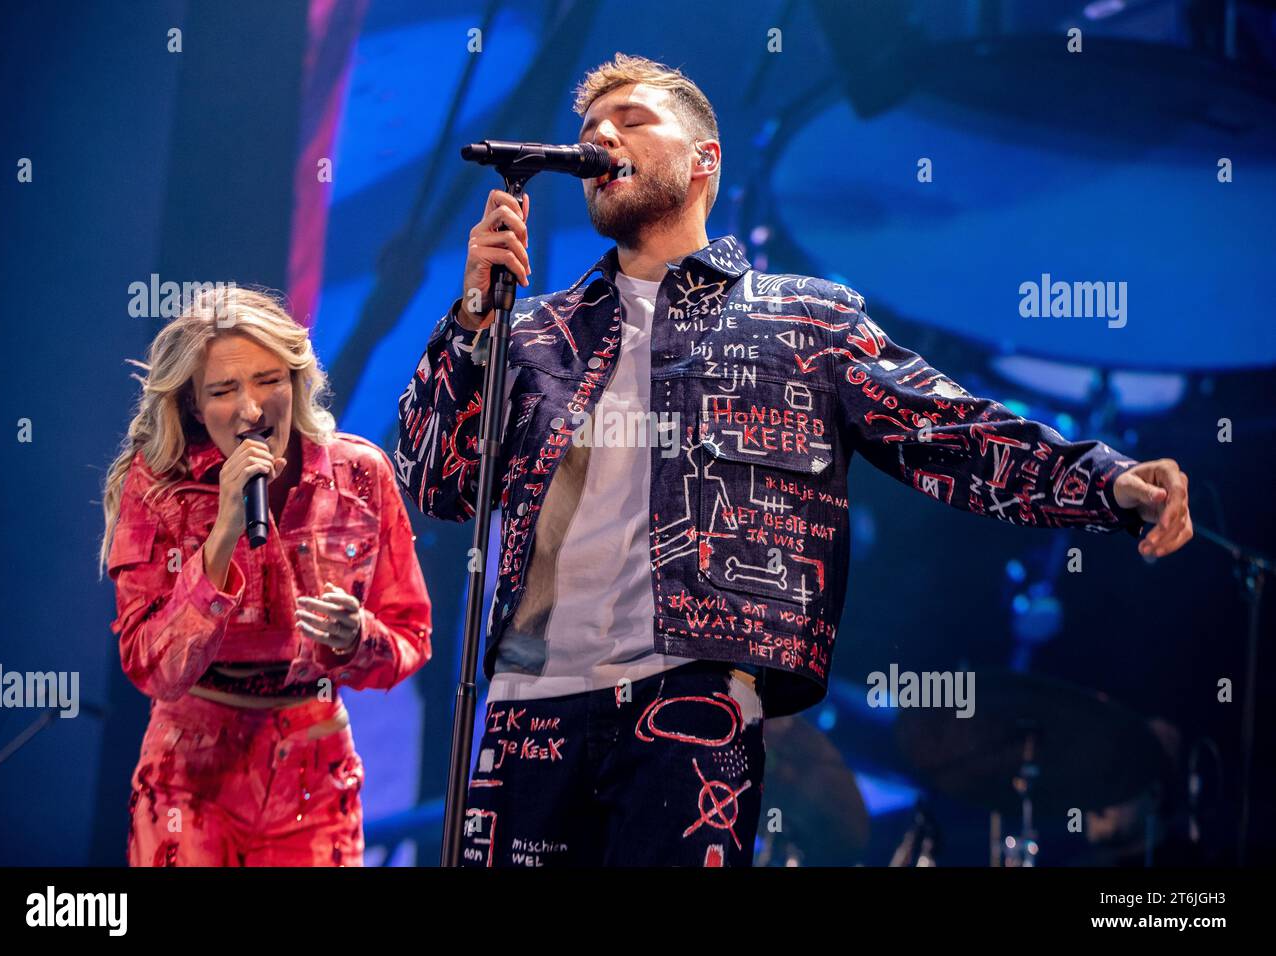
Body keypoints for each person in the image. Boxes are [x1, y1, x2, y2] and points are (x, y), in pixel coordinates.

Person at [395, 53, 1193, 867]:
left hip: (691, 698)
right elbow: (435, 481)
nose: (601, 136)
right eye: (590, 129)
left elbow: (947, 429)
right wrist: (468, 326)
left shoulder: (803, 320)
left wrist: (1105, 481)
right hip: (531, 709)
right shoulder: (533, 334)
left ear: (706, 159)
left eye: (632, 121)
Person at [101, 286, 431, 866]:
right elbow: (152, 667)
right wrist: (222, 535)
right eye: (224, 390)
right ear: (194, 407)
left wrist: (358, 639)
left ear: (298, 380)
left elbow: (411, 637)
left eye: (268, 381)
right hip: (192, 775)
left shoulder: (361, 475)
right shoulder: (156, 487)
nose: (251, 409)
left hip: (313, 774)